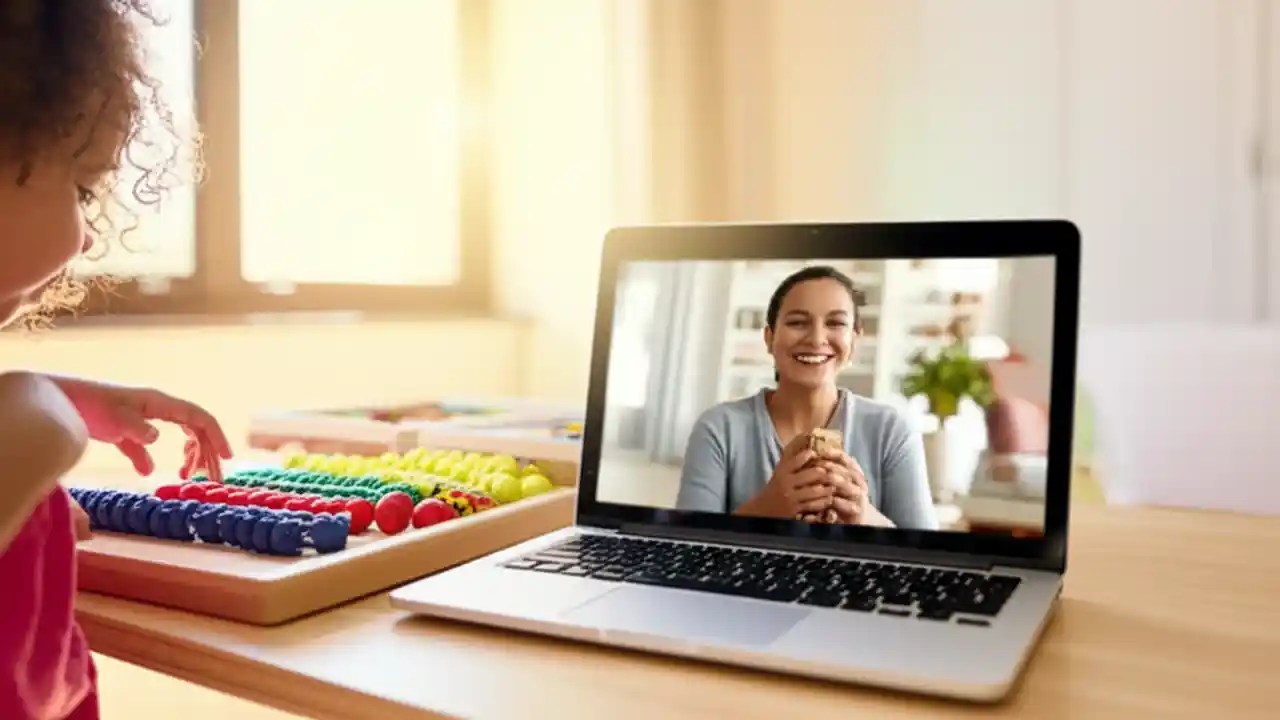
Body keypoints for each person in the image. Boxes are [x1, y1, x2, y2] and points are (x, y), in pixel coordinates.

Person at [1, 3, 231, 718]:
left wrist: (80, 400)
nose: (87, 239)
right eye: (79, 187)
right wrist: (41, 424)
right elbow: (21, 428)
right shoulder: (25, 424)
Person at [675, 265, 938, 530]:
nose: (816, 339)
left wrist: (864, 516)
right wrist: (768, 506)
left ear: (854, 340)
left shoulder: (891, 431)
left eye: (835, 323)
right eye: (798, 322)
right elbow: (685, 549)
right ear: (769, 337)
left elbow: (930, 556)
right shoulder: (719, 428)